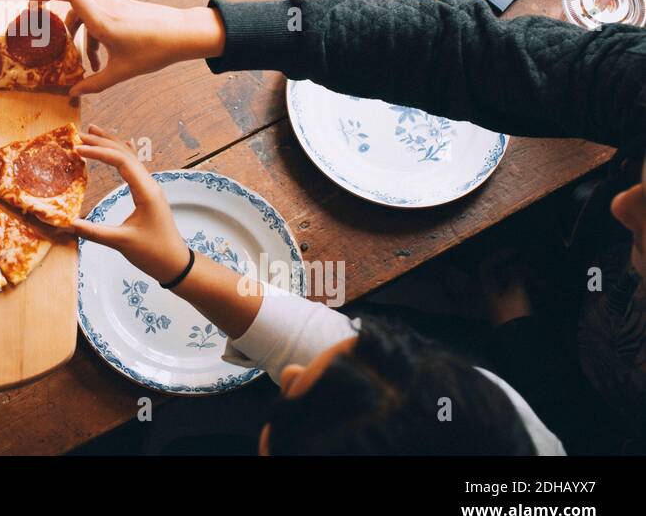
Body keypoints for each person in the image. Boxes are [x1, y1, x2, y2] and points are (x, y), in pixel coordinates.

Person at [38, 0, 646, 451]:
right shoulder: (517, 439)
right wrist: (207, 30)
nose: (622, 203)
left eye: (296, 397)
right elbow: (466, 51)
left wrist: (520, 344)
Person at [74, 126, 563, 454]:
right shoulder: (501, 414)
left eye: (287, 394)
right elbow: (312, 339)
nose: (287, 369)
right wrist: (179, 267)